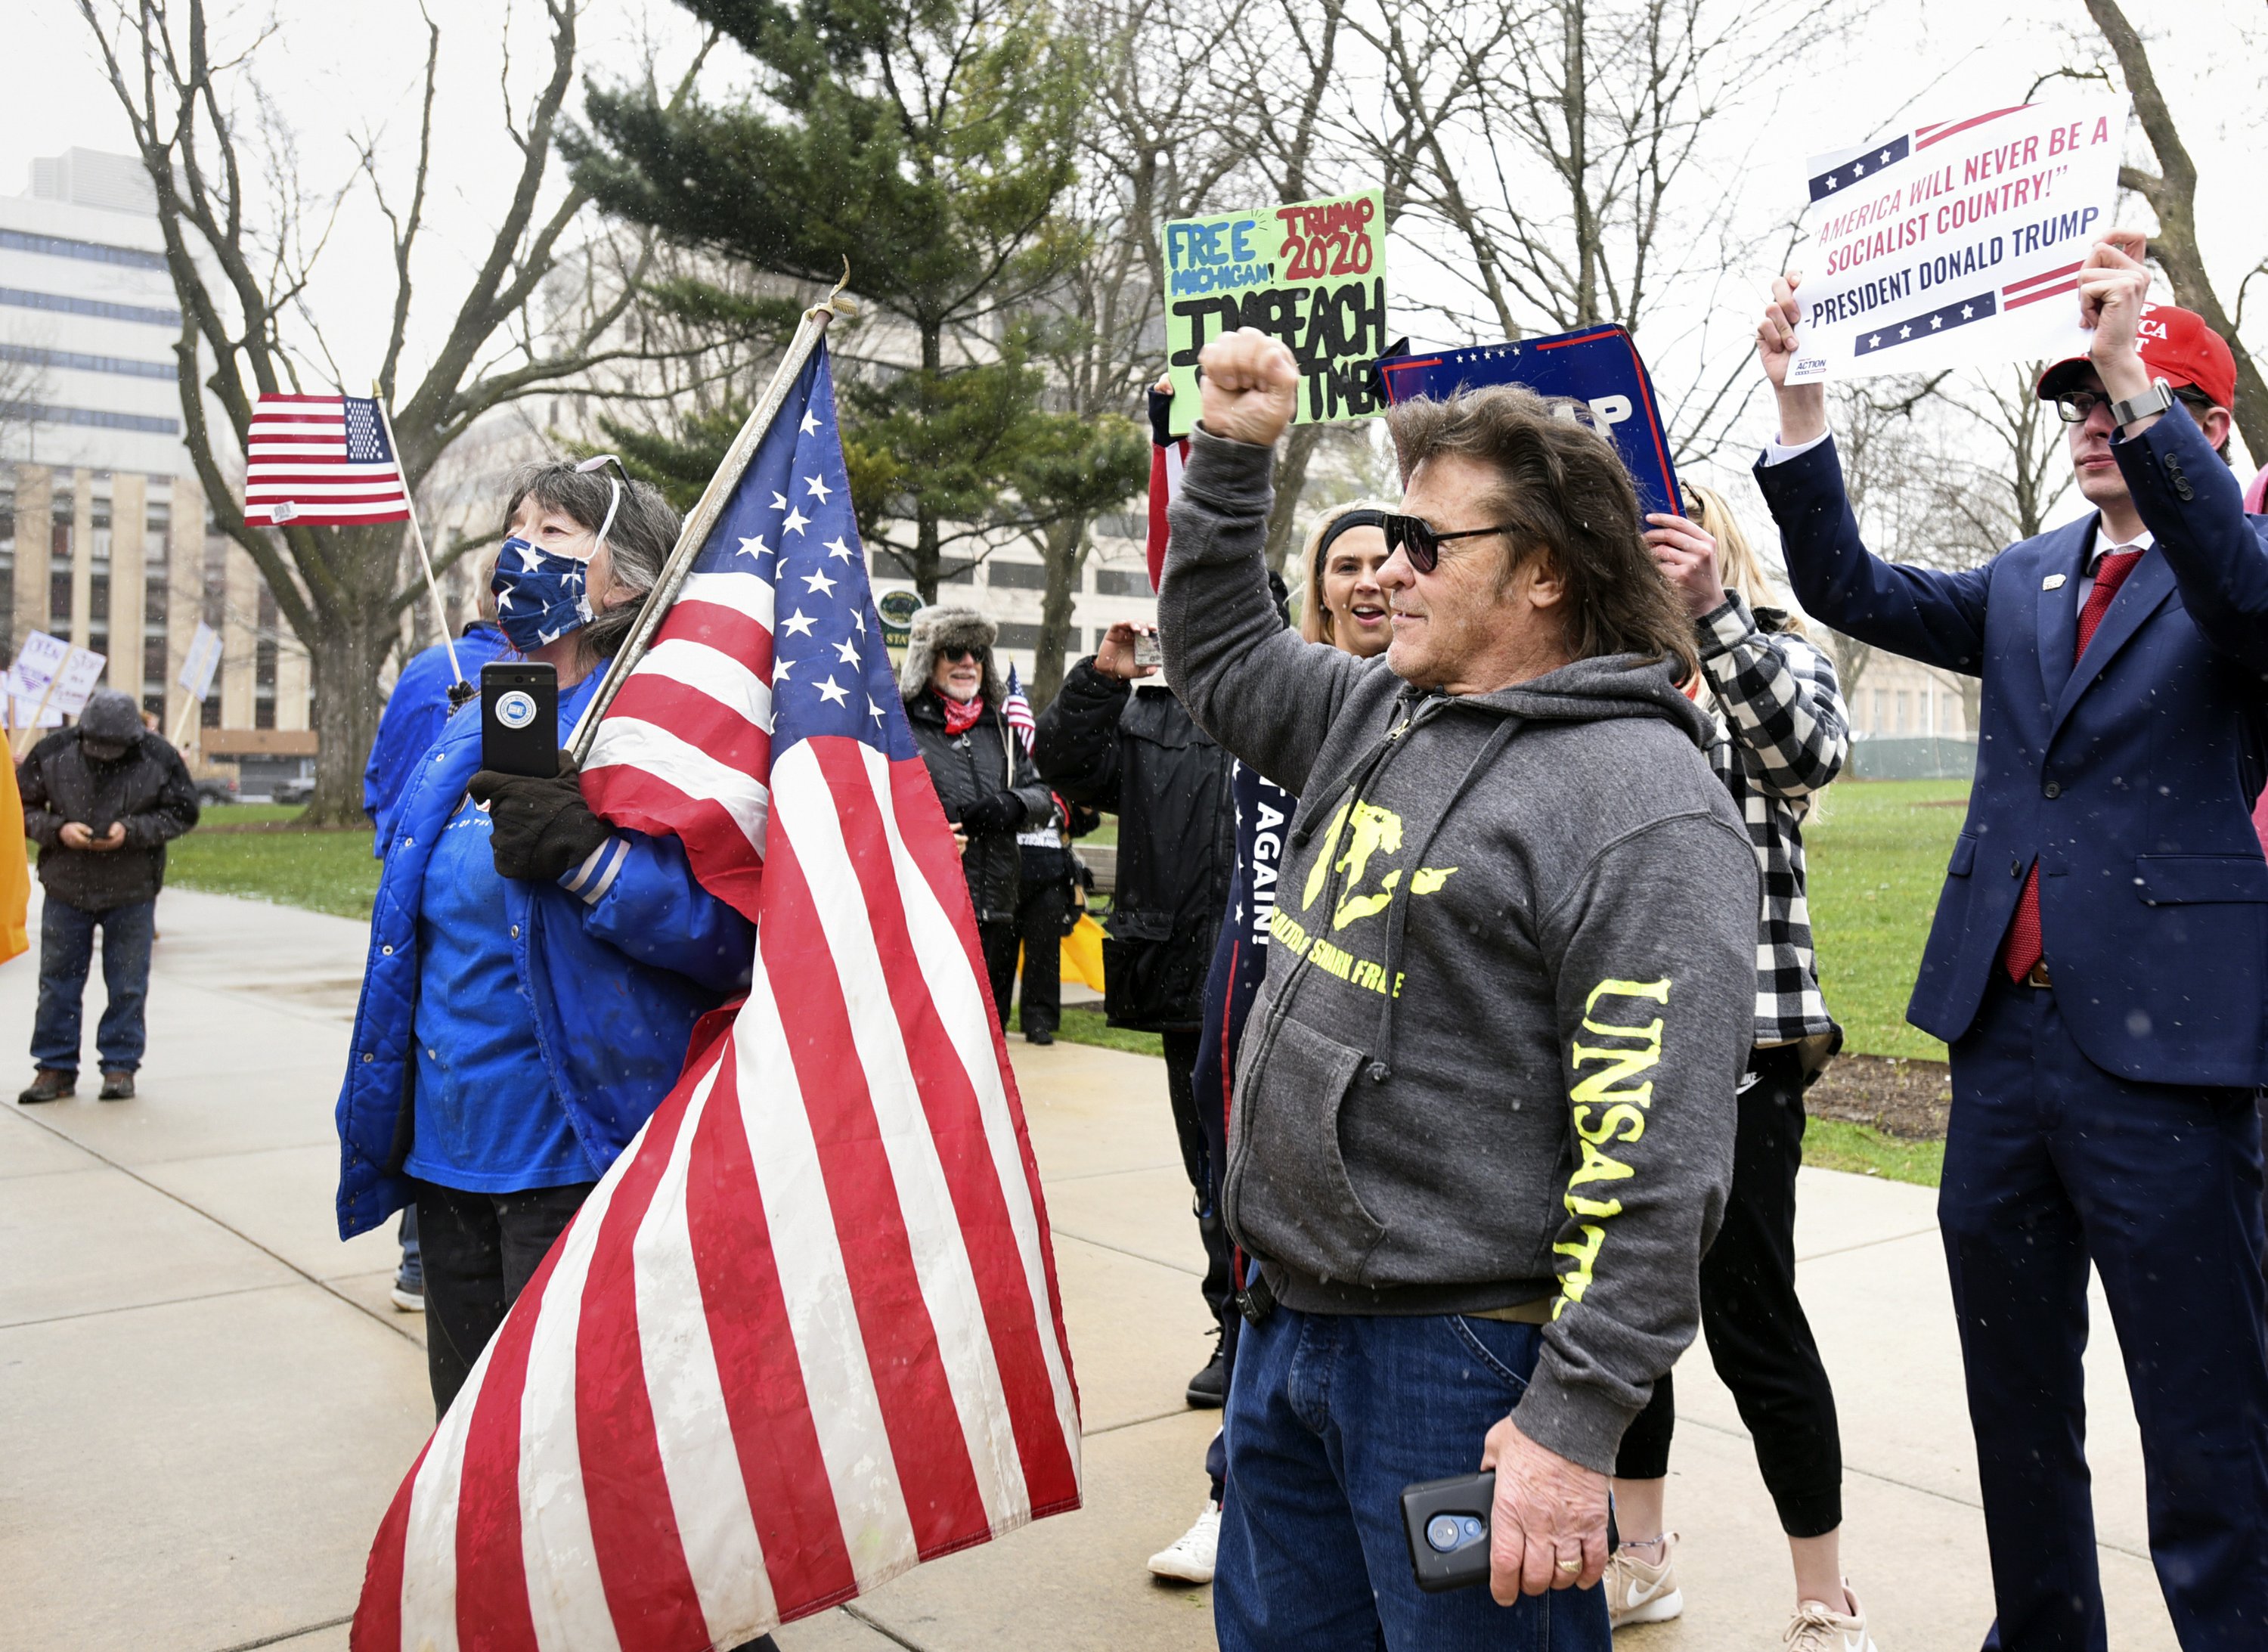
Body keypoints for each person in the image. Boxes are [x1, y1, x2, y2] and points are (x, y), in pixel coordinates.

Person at [1165, 327, 1757, 1649]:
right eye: (1386, 533)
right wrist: (1230, 457)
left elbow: (1657, 1159)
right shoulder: (1382, 708)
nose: (1387, 568)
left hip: (1468, 1368)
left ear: (1544, 572)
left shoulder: (1645, 810)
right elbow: (1216, 663)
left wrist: (1571, 1420)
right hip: (1291, 1329)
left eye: (1431, 544)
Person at [1753, 236, 2268, 1650]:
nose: (2094, 427)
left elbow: (2243, 592)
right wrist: (1802, 411)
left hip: (2166, 1060)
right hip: (2005, 1043)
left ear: (2203, 428)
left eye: (2121, 399)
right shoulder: (2030, 578)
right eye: (2081, 404)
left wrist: (2144, 393)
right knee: (2015, 1396)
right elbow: (1853, 587)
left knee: (2206, 1411)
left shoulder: (2240, 571)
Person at [334, 457, 755, 1427]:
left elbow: (732, 932)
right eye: (515, 526)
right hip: (447, 1150)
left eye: (557, 531)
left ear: (629, 578)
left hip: (577, 1147)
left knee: (572, 1446)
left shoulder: (659, 724)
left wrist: (590, 861)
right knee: (469, 1434)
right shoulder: (478, 712)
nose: (522, 547)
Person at [1606, 482, 1873, 1647]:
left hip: (1748, 1041)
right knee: (1618, 1317)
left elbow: (1806, 754)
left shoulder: (1779, 650)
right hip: (1613, 1038)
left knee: (1754, 1318)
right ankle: (1639, 1557)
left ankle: (1823, 1595)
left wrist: (1712, 613)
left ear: (1718, 544)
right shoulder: (1602, 666)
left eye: (1680, 530)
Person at [1147, 499, 1395, 1585]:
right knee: (1255, 1262)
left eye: (1392, 558)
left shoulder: (1443, 705)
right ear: (1318, 586)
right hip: (1259, 996)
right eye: (1346, 564)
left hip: (1385, 1026)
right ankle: (1232, 1489)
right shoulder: (1280, 690)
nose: (1370, 580)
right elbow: (1206, 604)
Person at [1033, 603, 1240, 1407]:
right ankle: (1235, 1322)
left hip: (1285, 975)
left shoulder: (1294, 701)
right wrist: (1097, 682)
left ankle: (1283, 1326)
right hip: (1188, 979)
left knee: (1276, 1171)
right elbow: (1063, 764)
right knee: (1212, 1170)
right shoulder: (1147, 712)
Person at [17, 688, 200, 1105]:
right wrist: (58, 828)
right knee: (57, 983)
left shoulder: (160, 757)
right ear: (82, 732)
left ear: (134, 738)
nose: (105, 756)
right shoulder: (51, 752)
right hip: (66, 885)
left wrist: (131, 831)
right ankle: (54, 1067)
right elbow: (20, 807)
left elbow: (183, 811)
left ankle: (120, 1066)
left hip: (132, 889)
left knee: (127, 985)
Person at [899, 606, 1057, 1022]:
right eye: (954, 650)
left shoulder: (1002, 728)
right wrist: (928, 838)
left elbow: (1043, 795)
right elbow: (876, 808)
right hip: (930, 913)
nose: (968, 662)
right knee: (933, 1034)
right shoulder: (902, 728)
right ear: (928, 660)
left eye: (977, 652)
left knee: (988, 1034)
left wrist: (1013, 805)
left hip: (998, 910)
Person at [364, 584, 510, 853]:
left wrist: (392, 828)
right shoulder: (543, 670)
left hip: (406, 844)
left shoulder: (420, 668)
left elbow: (378, 772)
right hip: (486, 851)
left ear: (479, 604)